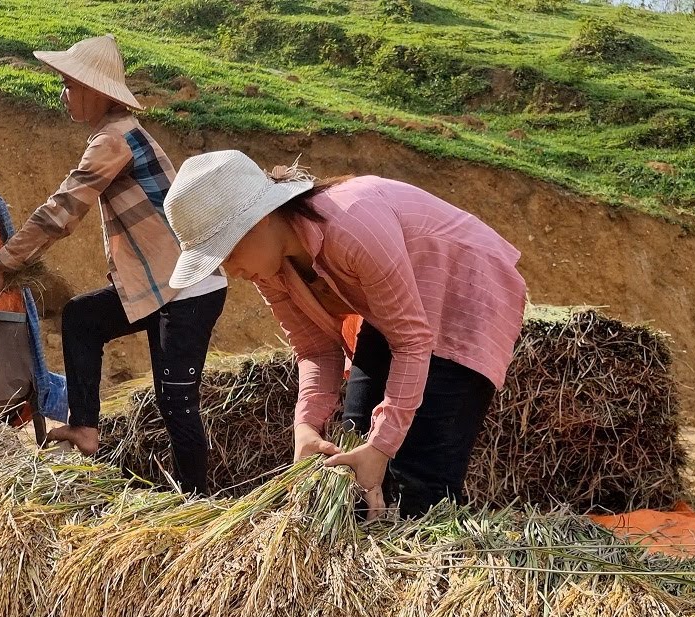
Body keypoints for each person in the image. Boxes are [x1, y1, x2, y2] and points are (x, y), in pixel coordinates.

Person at [162, 150, 526, 518]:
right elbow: (315, 350)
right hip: (397, 314)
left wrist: (383, 446)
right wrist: (305, 426)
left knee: (420, 483)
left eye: (226, 254)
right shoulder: (269, 268)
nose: (232, 271)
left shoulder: (353, 226)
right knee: (352, 457)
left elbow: (412, 341)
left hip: (467, 292)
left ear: (258, 221)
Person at [0, 35, 227, 495]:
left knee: (176, 402)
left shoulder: (115, 140)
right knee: (82, 318)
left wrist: (2, 264)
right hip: (159, 285)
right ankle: (85, 428)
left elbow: (62, 210)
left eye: (69, 85)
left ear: (95, 91)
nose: (64, 94)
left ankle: (198, 502)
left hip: (188, 287)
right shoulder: (117, 136)